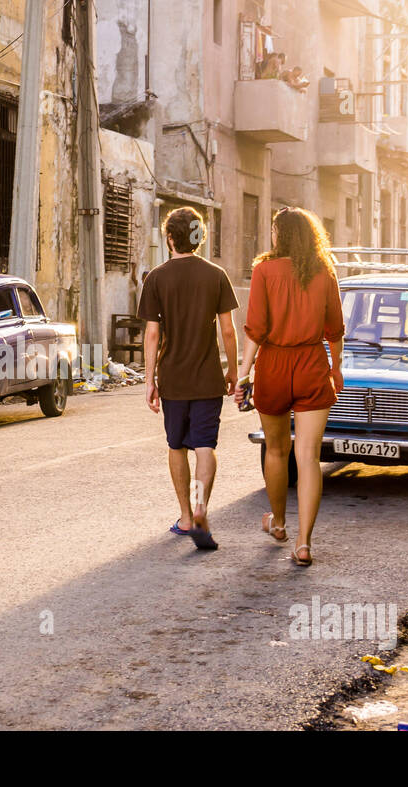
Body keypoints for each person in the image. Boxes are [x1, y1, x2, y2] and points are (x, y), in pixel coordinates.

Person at [236, 207, 344, 566]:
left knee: (277, 450)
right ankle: (303, 543)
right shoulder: (325, 271)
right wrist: (337, 369)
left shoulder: (264, 271)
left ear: (280, 234)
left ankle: (279, 523)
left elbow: (255, 328)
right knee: (309, 456)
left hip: (274, 365)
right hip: (313, 363)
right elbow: (335, 330)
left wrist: (244, 373)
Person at [138, 207, 239, 550]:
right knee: (205, 446)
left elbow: (152, 335)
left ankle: (184, 516)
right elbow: (228, 329)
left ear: (169, 238)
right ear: (200, 237)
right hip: (208, 378)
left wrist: (149, 379)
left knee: (177, 445)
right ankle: (200, 507)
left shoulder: (156, 278)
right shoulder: (216, 275)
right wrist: (234, 370)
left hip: (173, 379)